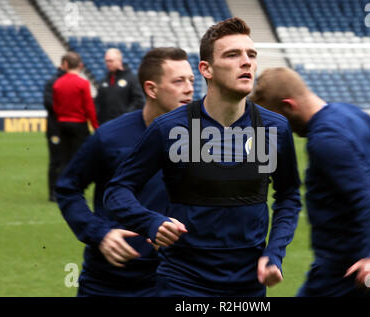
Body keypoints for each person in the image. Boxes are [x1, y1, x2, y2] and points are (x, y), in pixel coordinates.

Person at [103, 17, 302, 297]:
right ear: (206, 69)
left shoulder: (275, 128)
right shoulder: (169, 128)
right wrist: (150, 222)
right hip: (183, 284)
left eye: (251, 55)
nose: (246, 62)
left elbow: (289, 195)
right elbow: (117, 190)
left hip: (249, 287)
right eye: (233, 55)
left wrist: (275, 252)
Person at [250, 67, 370, 297]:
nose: (288, 131)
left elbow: (365, 197)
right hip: (357, 266)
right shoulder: (350, 112)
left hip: (343, 268)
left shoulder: (324, 140)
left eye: (284, 124)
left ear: (289, 106)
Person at [55, 47, 195, 296]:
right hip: (108, 281)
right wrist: (100, 233)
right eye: (178, 81)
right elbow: (68, 188)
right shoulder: (109, 137)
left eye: (191, 80)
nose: (189, 88)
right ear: (151, 89)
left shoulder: (201, 140)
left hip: (174, 280)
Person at [52, 52, 100, 171]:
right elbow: (89, 108)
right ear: (80, 65)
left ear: (66, 65)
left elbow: (56, 107)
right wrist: (95, 126)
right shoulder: (83, 83)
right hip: (79, 125)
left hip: (62, 124)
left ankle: (63, 185)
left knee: (65, 159)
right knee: (80, 159)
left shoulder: (58, 83)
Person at [95, 48, 145, 124]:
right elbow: (98, 102)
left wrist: (125, 116)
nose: (108, 64)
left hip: (124, 124)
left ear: (119, 61)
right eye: (106, 61)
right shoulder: (104, 81)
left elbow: (139, 101)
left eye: (111, 61)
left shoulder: (132, 79)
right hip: (105, 124)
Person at [43, 61, 66, 202]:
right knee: (56, 160)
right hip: (55, 128)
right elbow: (48, 102)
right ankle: (53, 192)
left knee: (68, 160)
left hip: (68, 127)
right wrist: (67, 108)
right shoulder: (52, 82)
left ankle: (66, 190)